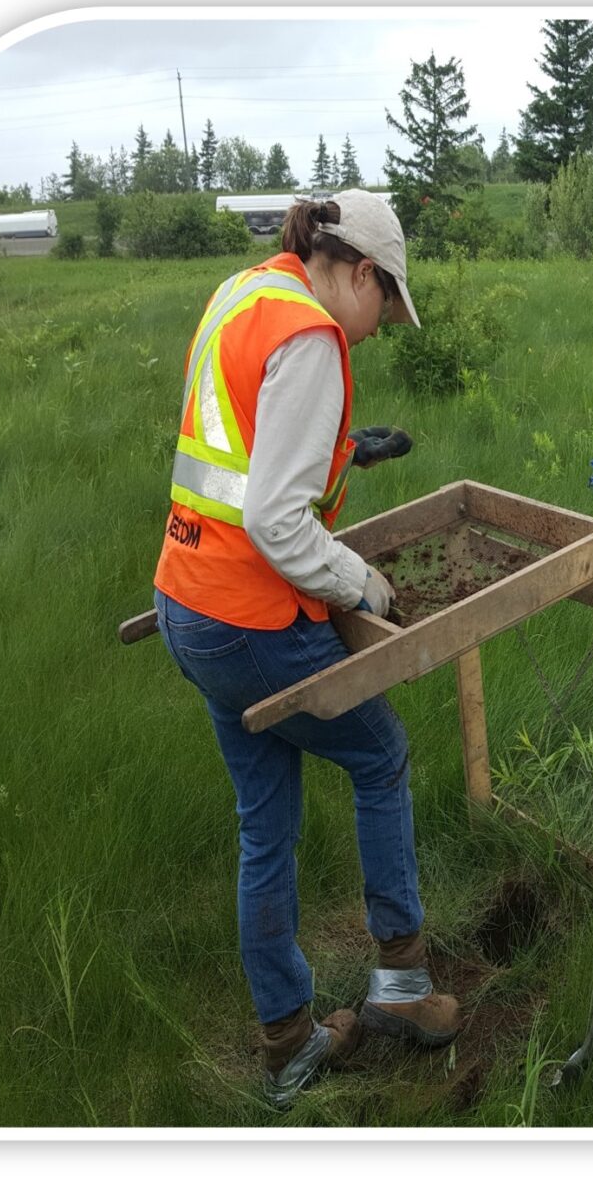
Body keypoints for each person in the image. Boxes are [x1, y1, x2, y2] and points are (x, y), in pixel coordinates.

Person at [151, 189, 462, 1109]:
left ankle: (288, 1039)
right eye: (385, 306)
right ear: (358, 272)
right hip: (250, 616)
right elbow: (277, 520)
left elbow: (239, 447)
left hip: (186, 601)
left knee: (266, 823)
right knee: (381, 755)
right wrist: (358, 582)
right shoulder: (315, 337)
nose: (379, 330)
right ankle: (402, 986)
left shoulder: (243, 293)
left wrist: (344, 452)